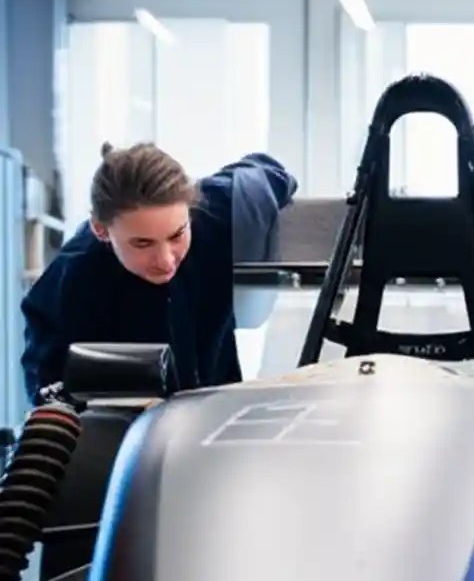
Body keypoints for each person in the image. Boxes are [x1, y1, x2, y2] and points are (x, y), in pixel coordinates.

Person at [21, 143, 298, 403]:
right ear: (101, 230)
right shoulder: (71, 284)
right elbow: (51, 402)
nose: (166, 261)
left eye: (177, 235)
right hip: (120, 440)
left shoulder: (215, 211)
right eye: (143, 243)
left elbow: (271, 173)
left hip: (215, 419)